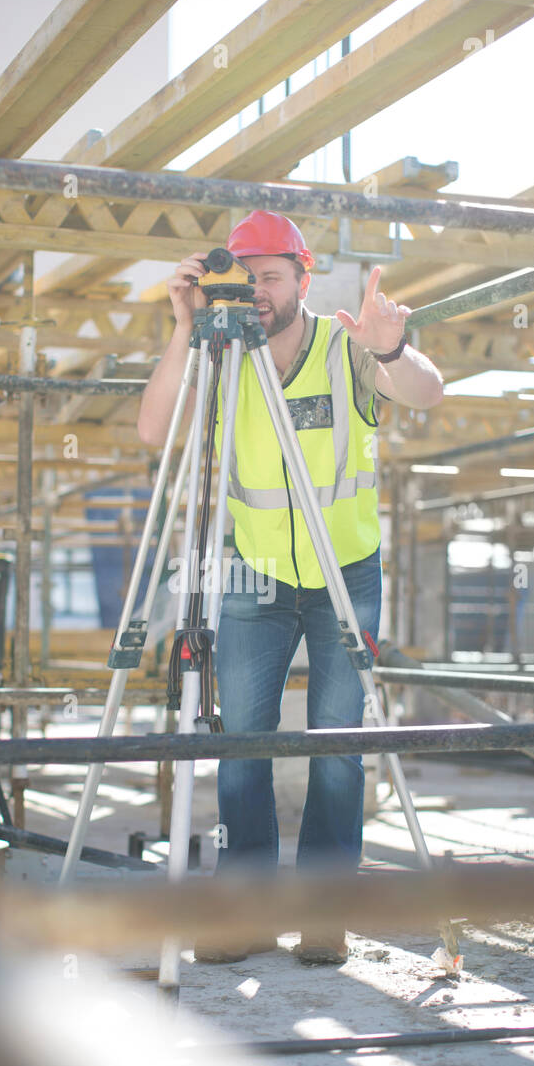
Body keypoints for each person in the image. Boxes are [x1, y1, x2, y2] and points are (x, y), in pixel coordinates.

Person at [137, 211, 443, 964]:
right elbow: (153, 430)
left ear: (303, 278)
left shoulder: (345, 346)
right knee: (244, 739)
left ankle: (323, 912)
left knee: (339, 744)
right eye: (247, 277)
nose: (260, 290)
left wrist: (393, 346)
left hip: (347, 571)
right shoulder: (222, 356)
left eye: (272, 275)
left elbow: (428, 392)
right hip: (256, 572)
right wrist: (184, 327)